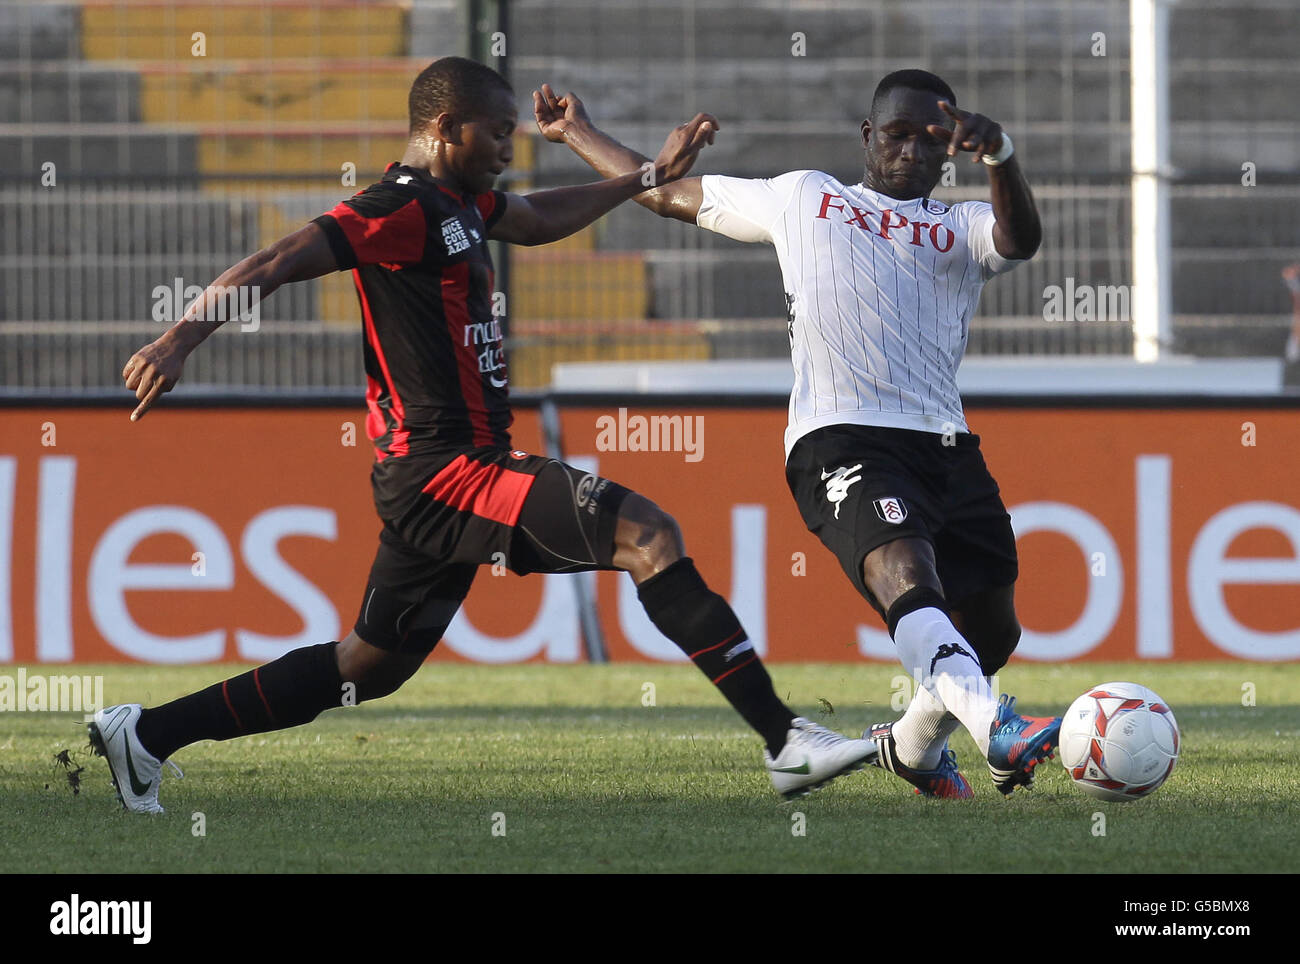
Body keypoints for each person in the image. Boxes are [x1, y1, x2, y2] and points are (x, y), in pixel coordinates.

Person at [92, 57, 876, 814]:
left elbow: (538, 218)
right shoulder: (394, 208)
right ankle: (785, 740)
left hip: (439, 479)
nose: (509, 149)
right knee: (649, 535)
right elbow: (275, 260)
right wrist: (180, 339)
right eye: (498, 134)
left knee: (366, 668)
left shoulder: (461, 208)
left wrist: (644, 175)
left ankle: (148, 736)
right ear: (445, 126)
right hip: (446, 471)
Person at [546, 68, 1061, 798]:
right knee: (906, 575)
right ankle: (996, 732)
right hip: (842, 439)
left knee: (993, 632)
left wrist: (1002, 154)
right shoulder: (806, 198)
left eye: (931, 138)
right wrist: (576, 132)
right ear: (868, 138)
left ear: (950, 149)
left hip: (945, 445)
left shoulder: (963, 224)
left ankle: (913, 749)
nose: (913, 149)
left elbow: (1023, 239)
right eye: (898, 134)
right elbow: (663, 193)